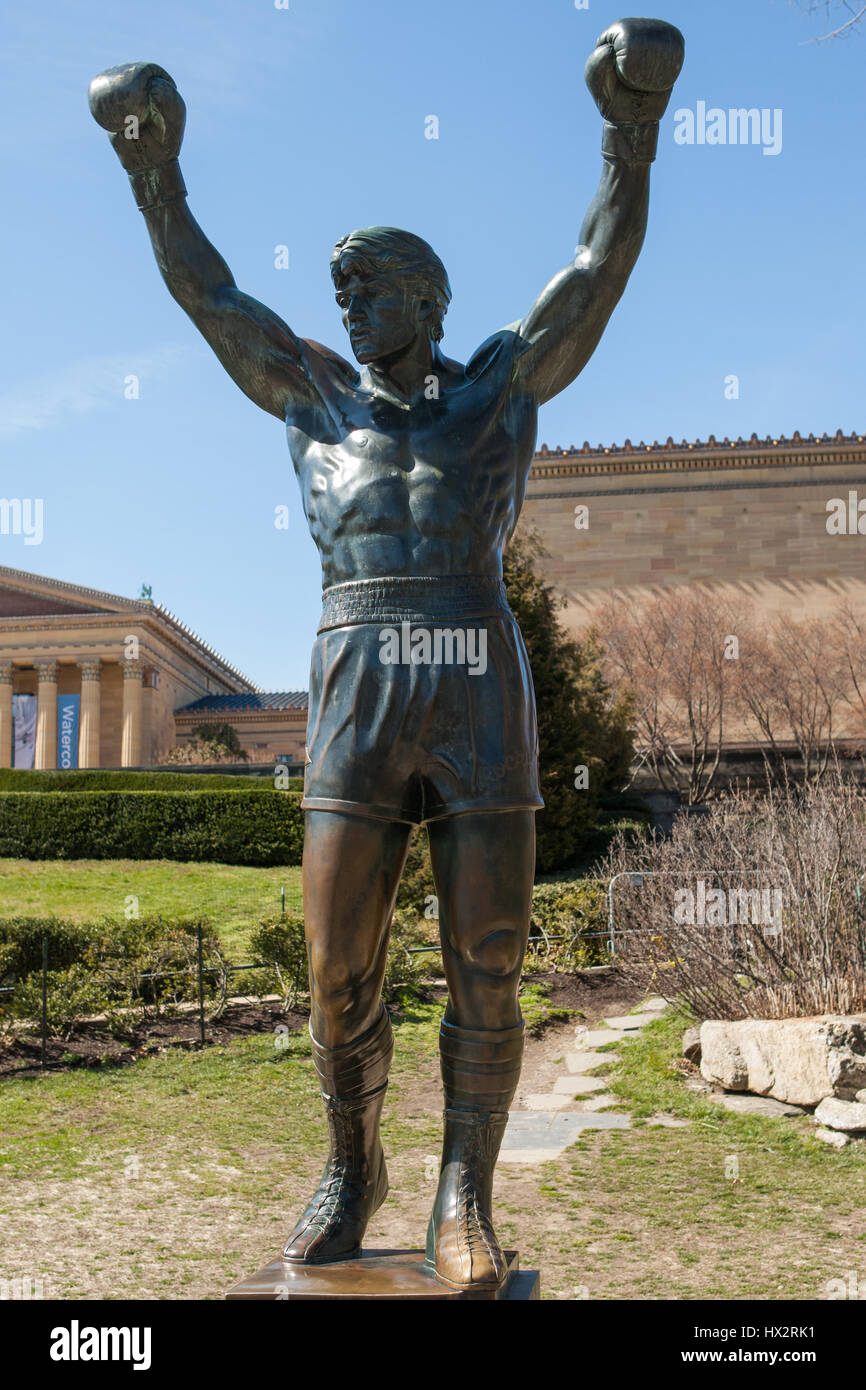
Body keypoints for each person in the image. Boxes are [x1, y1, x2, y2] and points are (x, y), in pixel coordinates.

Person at [89, 16, 683, 1292]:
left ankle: (462, 1195)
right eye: (341, 289)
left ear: (429, 299)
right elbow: (207, 289)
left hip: (475, 666)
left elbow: (594, 270)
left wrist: (627, 131)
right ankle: (349, 1170)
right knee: (332, 958)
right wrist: (155, 168)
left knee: (486, 952)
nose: (347, 303)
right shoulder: (311, 399)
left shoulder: (498, 390)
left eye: (370, 287)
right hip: (354, 668)